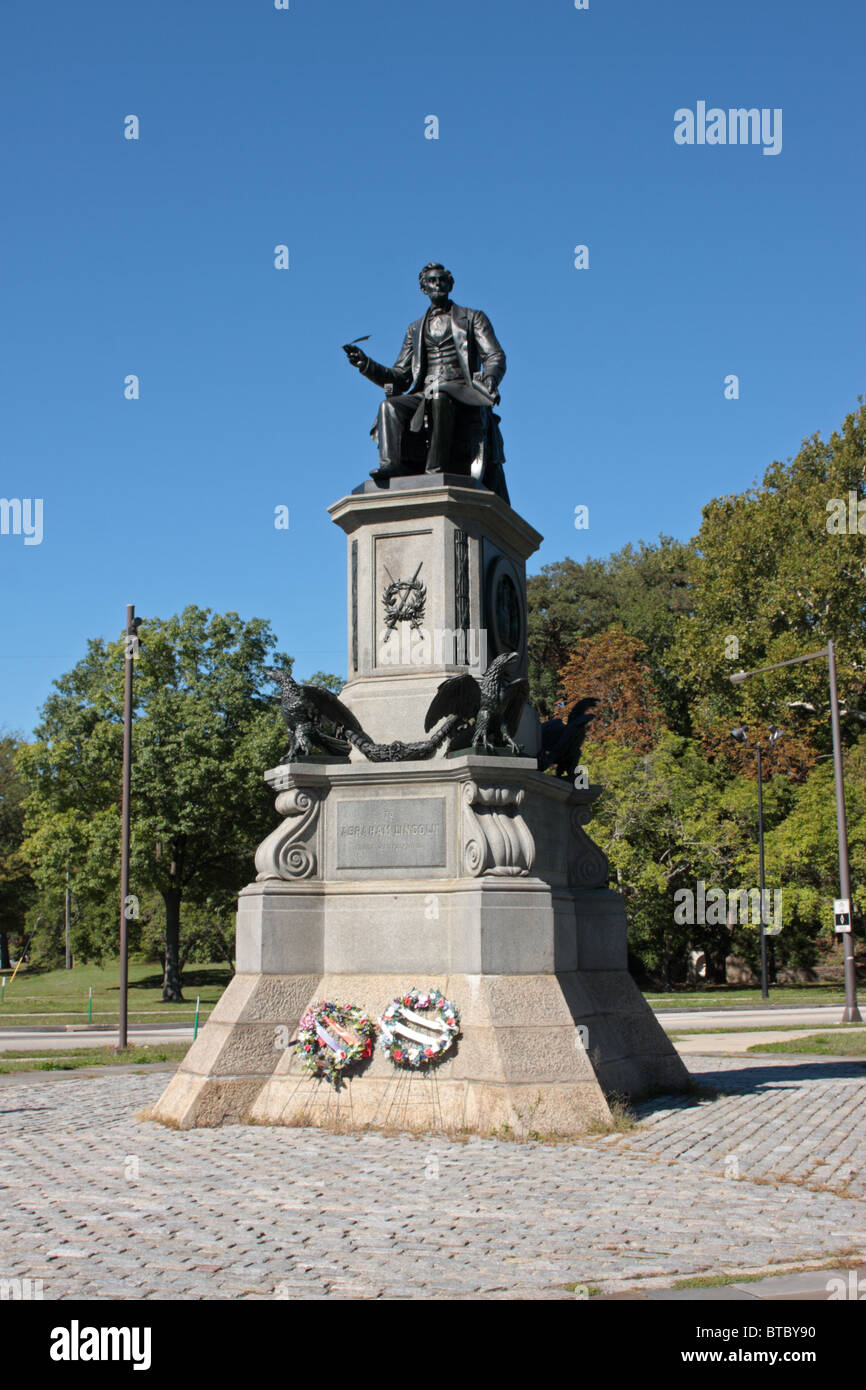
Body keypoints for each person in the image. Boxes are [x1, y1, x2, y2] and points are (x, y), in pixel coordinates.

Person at [343, 263, 508, 497]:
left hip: (463, 391)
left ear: (450, 285)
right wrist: (366, 365)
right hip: (425, 393)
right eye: (431, 281)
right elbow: (400, 376)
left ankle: (435, 471)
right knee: (389, 406)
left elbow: (494, 355)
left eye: (442, 280)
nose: (437, 284)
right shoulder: (415, 329)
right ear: (424, 288)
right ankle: (391, 465)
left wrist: (491, 378)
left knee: (439, 394)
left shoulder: (472, 318)